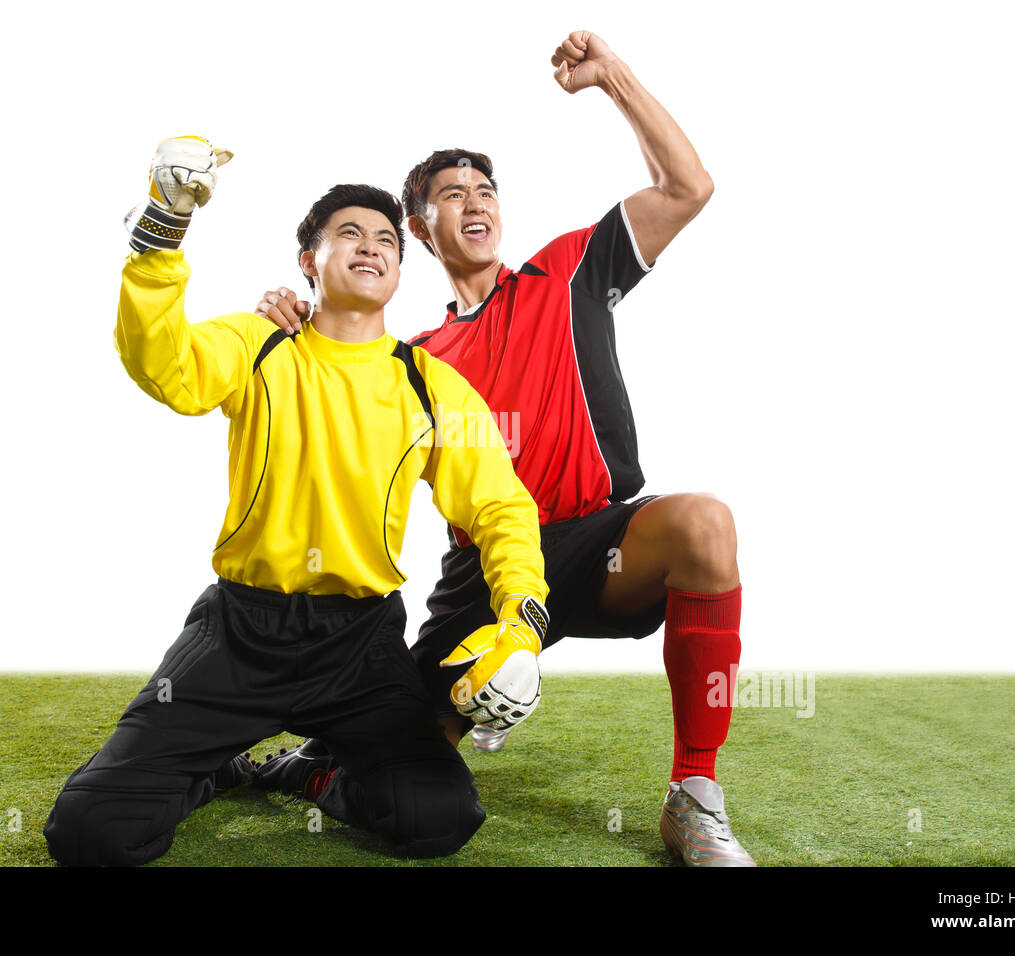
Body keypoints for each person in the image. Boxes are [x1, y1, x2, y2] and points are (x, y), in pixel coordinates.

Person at [252, 31, 755, 866]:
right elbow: (320, 403)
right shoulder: (408, 360)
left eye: (485, 188)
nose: (475, 200)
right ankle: (307, 770)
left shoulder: (567, 274)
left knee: (706, 523)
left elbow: (688, 186)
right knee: (405, 760)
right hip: (487, 569)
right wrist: (293, 316)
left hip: (601, 544)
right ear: (420, 226)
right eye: (453, 193)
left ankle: (693, 795)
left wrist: (612, 79)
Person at [43, 136, 551, 865]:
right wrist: (162, 232)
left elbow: (501, 508)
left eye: (385, 239)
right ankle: (207, 767)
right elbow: (163, 364)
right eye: (348, 234)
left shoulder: (430, 385)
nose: (370, 247)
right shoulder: (259, 343)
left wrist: (522, 618)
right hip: (238, 633)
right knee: (90, 835)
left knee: (440, 818)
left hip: (362, 647)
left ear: (401, 269)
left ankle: (311, 769)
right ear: (309, 262)